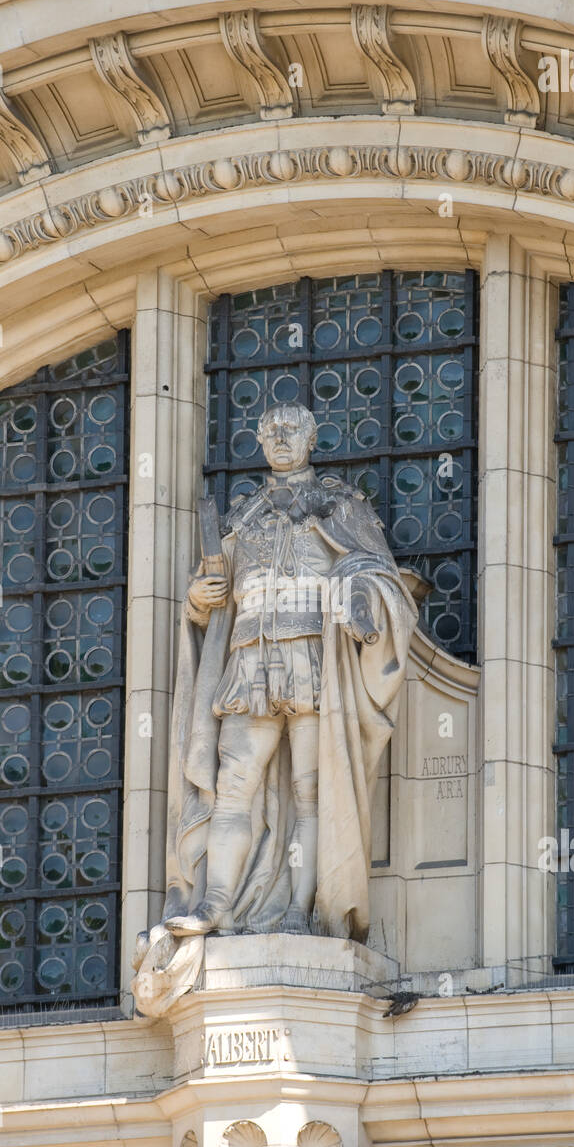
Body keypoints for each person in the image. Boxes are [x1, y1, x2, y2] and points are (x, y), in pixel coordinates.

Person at [163, 401, 417, 942]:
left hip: (314, 660)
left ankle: (304, 910)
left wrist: (361, 598)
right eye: (271, 430)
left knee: (311, 792)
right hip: (248, 660)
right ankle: (217, 904)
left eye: (292, 429)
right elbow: (213, 594)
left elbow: (377, 570)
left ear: (311, 437)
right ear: (259, 440)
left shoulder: (338, 504)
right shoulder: (242, 516)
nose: (281, 438)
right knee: (233, 787)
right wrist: (196, 600)